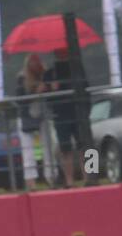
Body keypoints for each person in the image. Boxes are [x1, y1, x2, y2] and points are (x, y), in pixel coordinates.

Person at [42, 47, 88, 187]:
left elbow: (85, 88)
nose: (62, 55)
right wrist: (51, 90)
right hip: (61, 115)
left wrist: (86, 109)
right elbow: (47, 99)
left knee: (86, 146)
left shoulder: (77, 69)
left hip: (79, 112)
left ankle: (91, 176)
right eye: (59, 52)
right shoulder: (50, 73)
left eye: (64, 52)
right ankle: (69, 181)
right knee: (65, 148)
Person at [15, 53, 48, 186]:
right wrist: (35, 92)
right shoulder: (21, 78)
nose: (35, 65)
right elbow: (20, 100)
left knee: (48, 148)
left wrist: (49, 88)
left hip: (43, 116)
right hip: (26, 117)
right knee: (28, 151)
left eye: (37, 62)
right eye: (32, 62)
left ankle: (51, 177)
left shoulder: (45, 75)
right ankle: (31, 183)